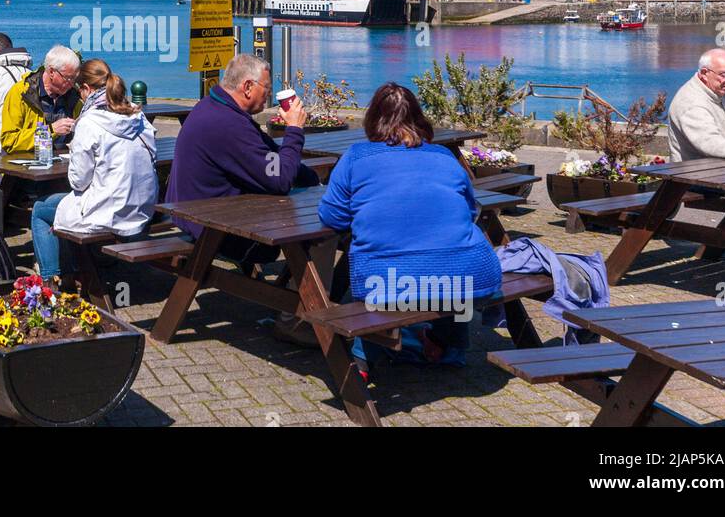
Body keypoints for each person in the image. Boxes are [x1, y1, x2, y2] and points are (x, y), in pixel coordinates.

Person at [317, 83, 502, 368]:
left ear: (372, 119)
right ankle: (446, 348)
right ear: (418, 117)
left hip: (386, 283)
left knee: (369, 287)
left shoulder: (355, 157)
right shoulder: (444, 157)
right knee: (445, 267)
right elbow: (468, 210)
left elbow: (332, 217)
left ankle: (362, 360)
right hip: (472, 277)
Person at [164, 52, 320, 270]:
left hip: (197, 215)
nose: (270, 95)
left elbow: (269, 151)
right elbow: (281, 180)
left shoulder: (213, 106)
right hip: (214, 230)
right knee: (308, 226)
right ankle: (313, 298)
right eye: (266, 88)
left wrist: (314, 180)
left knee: (305, 217)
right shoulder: (228, 124)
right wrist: (294, 130)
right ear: (248, 87)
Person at [29, 59, 159, 279]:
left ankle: (51, 282)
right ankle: (76, 269)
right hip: (142, 209)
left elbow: (78, 182)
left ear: (87, 89)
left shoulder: (90, 123)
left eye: (80, 91)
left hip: (107, 214)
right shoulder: (140, 118)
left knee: (41, 210)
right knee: (65, 206)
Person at [0, 45, 82, 152]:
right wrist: (50, 130)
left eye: (74, 78)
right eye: (68, 78)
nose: (72, 84)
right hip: (24, 166)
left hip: (64, 165)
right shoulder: (21, 93)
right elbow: (9, 141)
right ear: (52, 72)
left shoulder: (74, 97)